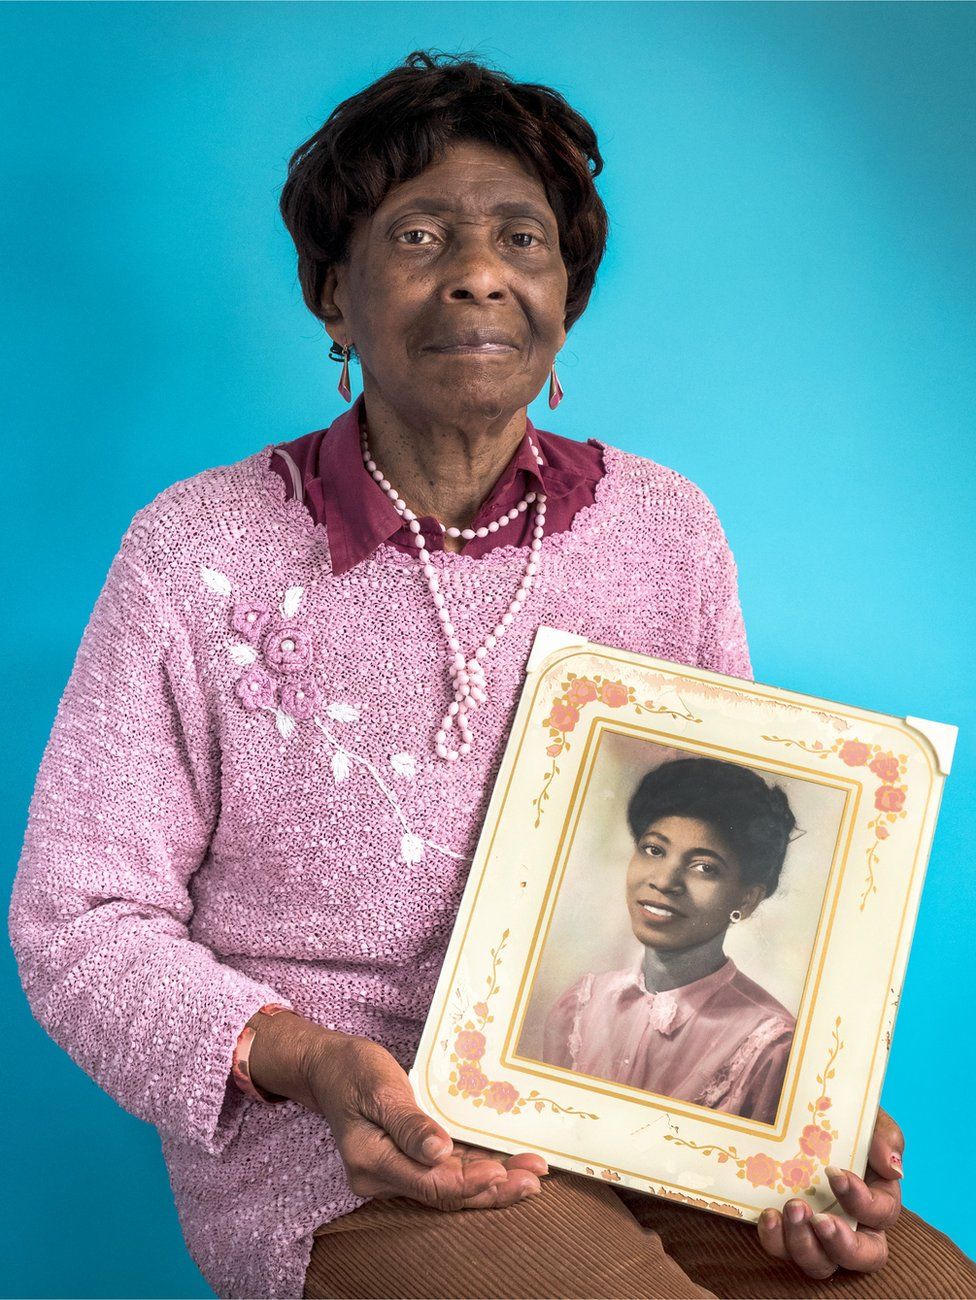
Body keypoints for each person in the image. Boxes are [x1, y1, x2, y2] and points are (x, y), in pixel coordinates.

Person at [8, 47, 976, 1300]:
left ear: (565, 294)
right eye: (417, 236)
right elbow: (78, 925)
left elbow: (744, 854)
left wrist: (804, 1109)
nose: (477, 271)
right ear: (331, 299)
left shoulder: (665, 529)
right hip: (349, 1149)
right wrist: (309, 1061)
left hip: (649, 1112)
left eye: (521, 238)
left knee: (915, 1289)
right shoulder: (196, 550)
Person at [542, 757, 798, 1126]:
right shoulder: (580, 1006)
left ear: (746, 899)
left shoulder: (772, 1047)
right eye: (654, 850)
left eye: (704, 867)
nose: (665, 881)